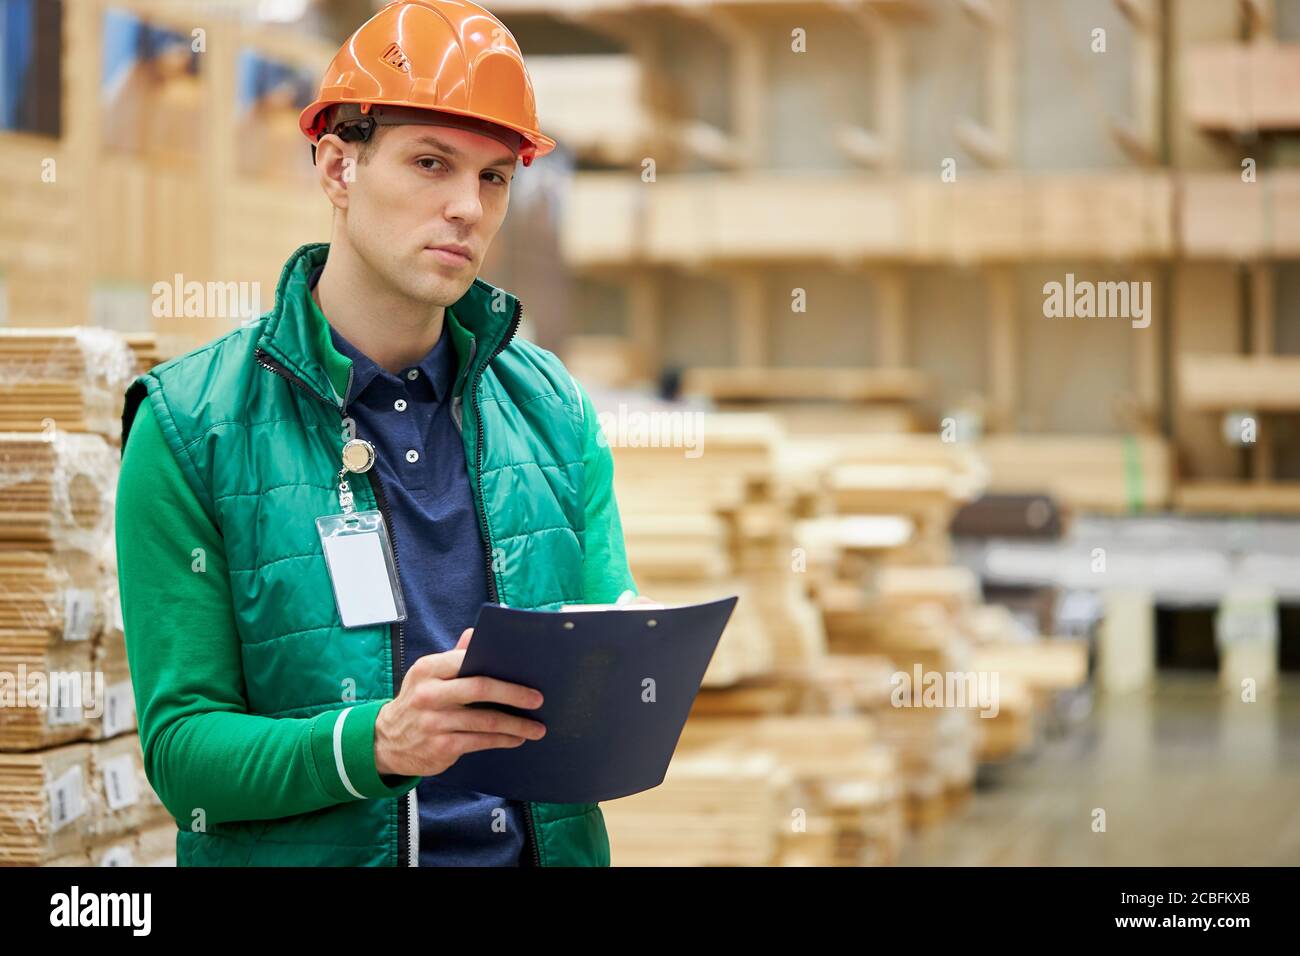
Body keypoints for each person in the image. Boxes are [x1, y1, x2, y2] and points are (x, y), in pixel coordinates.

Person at [115, 0, 643, 867]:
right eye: (430, 164)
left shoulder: (554, 411)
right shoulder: (190, 426)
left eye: (494, 177)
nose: (466, 208)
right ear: (336, 165)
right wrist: (378, 743)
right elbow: (185, 760)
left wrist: (637, 682)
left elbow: (609, 657)